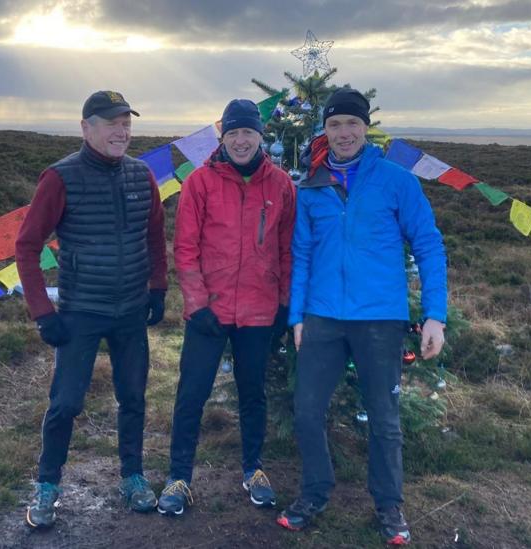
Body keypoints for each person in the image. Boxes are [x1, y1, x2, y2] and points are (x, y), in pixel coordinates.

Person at [276, 88, 447, 546]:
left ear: (365, 127)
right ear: (325, 130)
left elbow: (428, 245)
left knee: (385, 418)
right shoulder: (311, 187)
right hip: (322, 317)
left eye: (352, 123)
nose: (344, 132)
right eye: (335, 125)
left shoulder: (397, 181)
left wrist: (436, 315)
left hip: (380, 320)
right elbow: (302, 254)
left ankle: (389, 506)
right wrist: (297, 316)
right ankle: (315, 491)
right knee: (307, 410)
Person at [14, 90, 168, 528]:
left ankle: (133, 477)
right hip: (81, 310)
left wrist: (157, 287)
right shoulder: (59, 178)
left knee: (134, 397)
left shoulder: (142, 175)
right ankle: (47, 486)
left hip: (131, 309)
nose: (121, 131)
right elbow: (26, 246)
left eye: (126, 123)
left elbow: (155, 235)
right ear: (87, 128)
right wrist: (43, 312)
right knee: (64, 403)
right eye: (111, 123)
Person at [157, 99, 296, 516]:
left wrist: (285, 304)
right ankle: (179, 476)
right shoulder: (200, 182)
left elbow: (288, 248)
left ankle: (254, 469)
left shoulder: (281, 185)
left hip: (259, 311)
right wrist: (197, 304)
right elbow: (185, 248)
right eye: (233, 133)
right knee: (191, 394)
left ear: (260, 136)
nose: (240, 140)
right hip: (209, 313)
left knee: (253, 393)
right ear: (222, 137)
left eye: (247, 133)